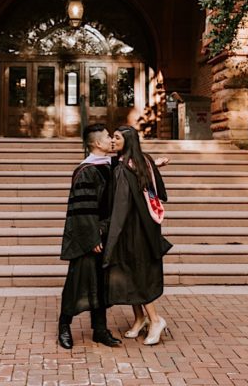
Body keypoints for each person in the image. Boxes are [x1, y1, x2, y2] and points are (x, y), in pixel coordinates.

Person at [104, 125, 173, 346]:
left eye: (116, 138)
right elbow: (160, 193)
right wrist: (156, 164)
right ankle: (139, 318)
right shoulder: (143, 161)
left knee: (135, 274)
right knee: (129, 272)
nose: (113, 141)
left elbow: (121, 207)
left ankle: (155, 320)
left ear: (127, 141)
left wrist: (111, 237)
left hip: (130, 230)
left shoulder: (124, 169)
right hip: (145, 228)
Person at [58, 123, 121, 349]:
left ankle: (100, 330)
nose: (111, 140)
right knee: (77, 282)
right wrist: (93, 237)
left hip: (107, 233)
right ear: (97, 143)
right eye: (107, 137)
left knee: (101, 282)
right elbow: (82, 208)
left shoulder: (111, 165)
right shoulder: (86, 171)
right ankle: (64, 326)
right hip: (90, 236)